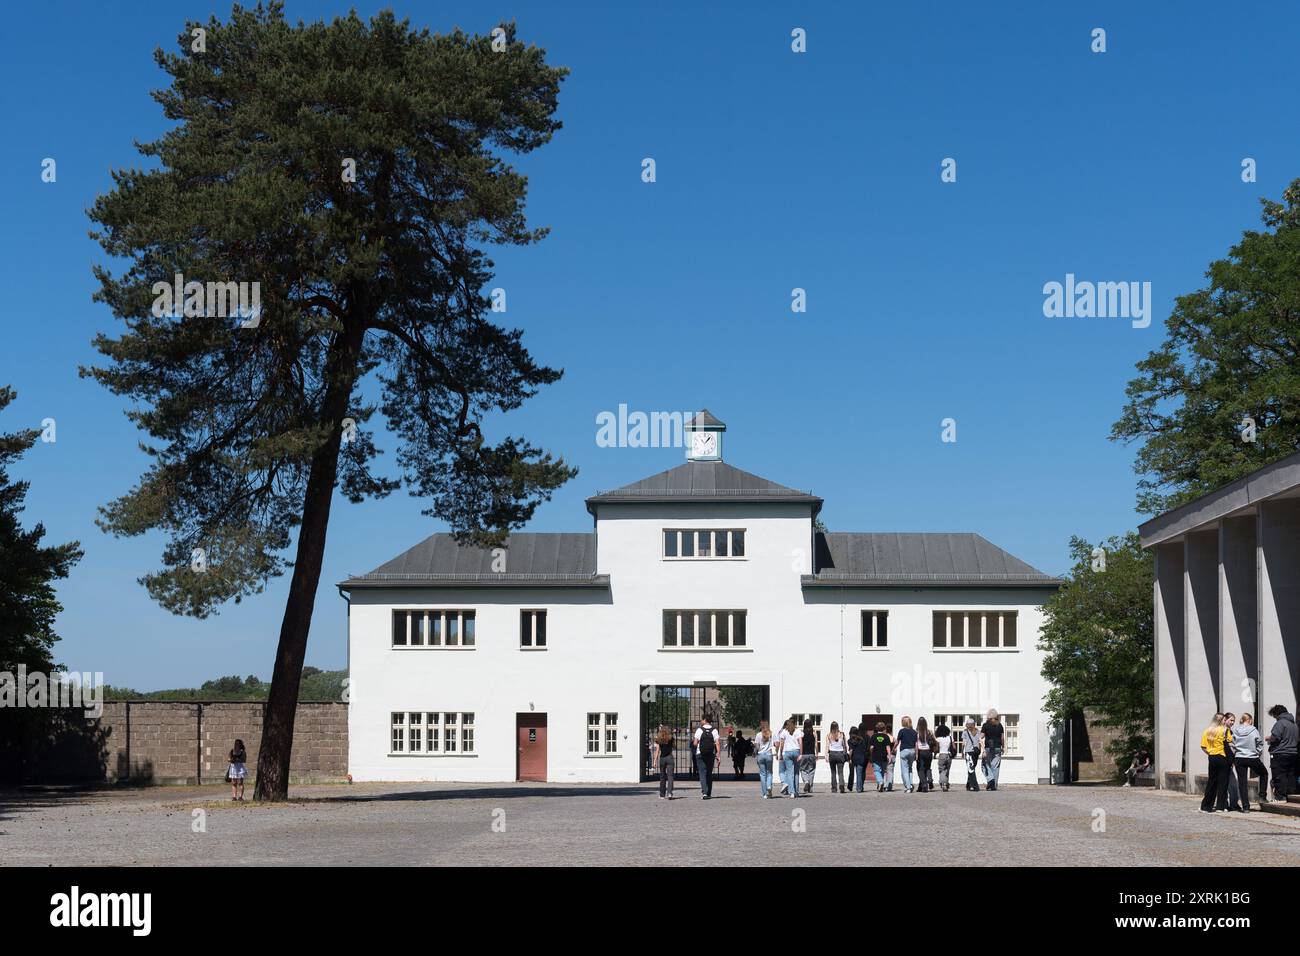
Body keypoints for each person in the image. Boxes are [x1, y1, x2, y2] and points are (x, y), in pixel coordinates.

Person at [1230, 713, 1267, 812]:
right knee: (1264, 773)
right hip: (1252, 757)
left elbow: (1232, 745)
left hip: (1239, 758)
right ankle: (1262, 796)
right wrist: (1258, 751)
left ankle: (1245, 807)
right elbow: (1259, 742)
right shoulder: (1253, 730)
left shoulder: (1236, 730)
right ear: (1250, 720)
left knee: (1242, 782)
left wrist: (1235, 755)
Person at [1199, 713, 1232, 813]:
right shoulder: (1225, 730)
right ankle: (1220, 807)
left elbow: (1203, 746)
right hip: (1223, 758)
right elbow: (1230, 744)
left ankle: (1206, 807)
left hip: (1212, 757)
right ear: (1222, 720)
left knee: (1211, 782)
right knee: (1223, 782)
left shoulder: (1207, 731)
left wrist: (1211, 753)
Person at [1265, 704, 1298, 802]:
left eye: (1274, 716)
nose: (1275, 718)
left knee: (1279, 774)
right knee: (1290, 774)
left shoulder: (1280, 723)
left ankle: (1280, 797)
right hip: (1293, 753)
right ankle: (1290, 795)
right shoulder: (1294, 724)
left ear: (1277, 714)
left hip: (1280, 753)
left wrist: (1268, 738)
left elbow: (1275, 737)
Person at [693, 714, 721, 799]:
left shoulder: (699, 730)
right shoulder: (714, 730)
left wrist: (697, 744)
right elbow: (717, 743)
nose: (701, 721)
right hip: (710, 754)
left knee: (702, 773)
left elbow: (695, 743)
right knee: (709, 773)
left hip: (700, 754)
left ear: (705, 720)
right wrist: (718, 755)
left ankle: (704, 792)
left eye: (701, 720)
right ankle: (709, 793)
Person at [979, 710, 1005, 791]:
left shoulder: (985, 725)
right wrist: (1003, 747)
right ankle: (994, 785)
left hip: (988, 748)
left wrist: (980, 733)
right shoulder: (1000, 725)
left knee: (984, 765)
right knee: (995, 767)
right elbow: (1002, 738)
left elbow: (982, 736)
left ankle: (990, 780)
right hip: (998, 748)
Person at [777, 718, 802, 798]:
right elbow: (800, 742)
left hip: (787, 752)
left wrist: (780, 753)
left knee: (789, 773)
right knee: (796, 772)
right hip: (796, 751)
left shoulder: (784, 731)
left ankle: (792, 792)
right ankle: (797, 791)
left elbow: (782, 744)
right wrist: (801, 753)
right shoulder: (797, 731)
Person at [895, 716, 919, 793]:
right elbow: (916, 744)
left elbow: (897, 742)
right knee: (910, 768)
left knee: (904, 770)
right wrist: (917, 753)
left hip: (904, 751)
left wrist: (893, 748)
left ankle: (908, 787)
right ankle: (911, 784)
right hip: (912, 751)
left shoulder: (901, 731)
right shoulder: (914, 732)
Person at [652, 725, 676, 799]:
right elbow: (674, 746)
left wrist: (654, 761)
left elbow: (657, 750)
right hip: (669, 757)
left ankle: (662, 794)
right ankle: (669, 793)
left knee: (662, 777)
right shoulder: (671, 738)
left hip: (662, 758)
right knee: (670, 776)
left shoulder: (659, 739)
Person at [753, 721, 776, 798]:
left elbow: (756, 746)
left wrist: (755, 753)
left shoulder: (758, 735)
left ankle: (764, 794)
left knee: (763, 774)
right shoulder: (771, 734)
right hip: (769, 755)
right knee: (769, 773)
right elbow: (776, 744)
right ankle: (769, 787)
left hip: (761, 755)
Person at [868, 722, 893, 792]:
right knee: (882, 771)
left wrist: (871, 752)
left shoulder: (873, 736)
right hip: (884, 756)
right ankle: (880, 785)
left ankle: (880, 781)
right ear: (884, 728)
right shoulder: (886, 736)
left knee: (876, 770)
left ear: (877, 728)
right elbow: (888, 747)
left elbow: (871, 747)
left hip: (876, 756)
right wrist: (890, 756)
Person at [825, 721, 848, 793]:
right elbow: (845, 745)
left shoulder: (829, 735)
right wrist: (845, 753)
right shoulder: (841, 734)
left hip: (832, 753)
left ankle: (834, 788)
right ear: (837, 727)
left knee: (833, 772)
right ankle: (841, 785)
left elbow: (827, 746)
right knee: (840, 772)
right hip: (840, 754)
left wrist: (826, 756)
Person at [915, 717, 937, 793]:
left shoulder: (917, 732)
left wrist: (916, 754)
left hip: (921, 752)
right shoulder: (929, 732)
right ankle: (929, 779)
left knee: (920, 769)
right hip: (928, 752)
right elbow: (935, 741)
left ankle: (924, 785)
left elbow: (916, 744)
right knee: (928, 767)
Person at [798, 719, 818, 793]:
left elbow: (800, 744)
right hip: (812, 754)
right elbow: (816, 744)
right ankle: (810, 787)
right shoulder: (814, 733)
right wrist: (817, 753)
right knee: (811, 770)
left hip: (803, 754)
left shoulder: (801, 733)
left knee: (803, 769)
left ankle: (806, 782)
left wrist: (799, 753)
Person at [961, 719, 981, 792]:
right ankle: (968, 785)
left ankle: (975, 786)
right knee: (972, 768)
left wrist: (962, 752)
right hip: (976, 752)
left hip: (969, 752)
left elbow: (963, 743)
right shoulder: (978, 731)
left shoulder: (965, 732)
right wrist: (980, 750)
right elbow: (980, 742)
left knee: (971, 769)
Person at [934, 719, 953, 792]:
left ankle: (943, 783)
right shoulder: (950, 738)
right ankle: (946, 783)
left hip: (942, 755)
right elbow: (954, 747)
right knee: (947, 771)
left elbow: (936, 749)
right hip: (949, 755)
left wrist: (935, 754)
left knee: (942, 770)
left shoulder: (938, 739)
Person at [848, 725, 869, 792]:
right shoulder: (861, 740)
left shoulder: (850, 740)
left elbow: (851, 750)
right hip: (860, 758)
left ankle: (850, 787)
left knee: (851, 773)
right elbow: (863, 749)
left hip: (853, 758)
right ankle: (859, 788)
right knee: (859, 774)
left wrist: (850, 758)